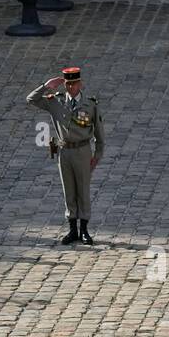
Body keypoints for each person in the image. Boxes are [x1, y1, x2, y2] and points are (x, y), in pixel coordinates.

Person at [25, 67, 104, 245]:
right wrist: (46, 86)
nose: (71, 87)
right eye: (68, 84)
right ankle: (72, 229)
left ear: (80, 84)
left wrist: (96, 156)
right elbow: (31, 99)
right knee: (68, 190)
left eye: (74, 84)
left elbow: (100, 135)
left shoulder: (90, 105)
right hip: (64, 151)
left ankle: (84, 230)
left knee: (83, 189)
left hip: (83, 151)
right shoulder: (56, 101)